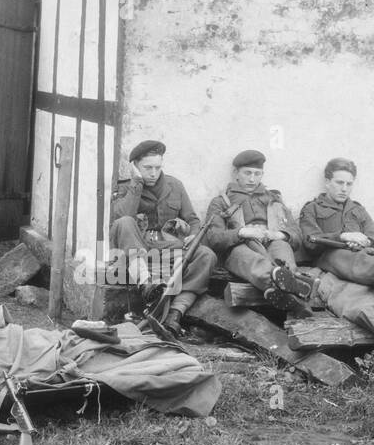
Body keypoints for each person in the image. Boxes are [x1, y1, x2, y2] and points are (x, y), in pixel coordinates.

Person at [109, 139, 216, 335]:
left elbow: (192, 219)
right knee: (124, 222)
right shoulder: (126, 187)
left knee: (206, 255)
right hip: (134, 248)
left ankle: (175, 313)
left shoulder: (175, 186)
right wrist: (137, 183)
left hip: (166, 248)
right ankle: (146, 284)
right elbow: (124, 215)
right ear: (134, 167)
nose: (153, 173)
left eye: (157, 167)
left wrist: (193, 235)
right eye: (147, 168)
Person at [203, 149, 312, 311]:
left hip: (271, 242)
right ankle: (289, 287)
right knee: (245, 256)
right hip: (241, 248)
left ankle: (285, 284)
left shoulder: (274, 200)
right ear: (236, 173)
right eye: (247, 173)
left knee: (282, 247)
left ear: (262, 175)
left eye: (257, 174)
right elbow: (214, 238)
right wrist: (241, 233)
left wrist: (279, 234)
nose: (252, 179)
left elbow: (297, 236)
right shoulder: (221, 202)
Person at [298, 158, 374, 296]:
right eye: (339, 183)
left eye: (349, 184)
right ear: (327, 182)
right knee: (342, 257)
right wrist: (342, 237)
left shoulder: (357, 209)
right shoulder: (312, 208)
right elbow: (310, 241)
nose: (344, 189)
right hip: (330, 256)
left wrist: (367, 241)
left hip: (362, 251)